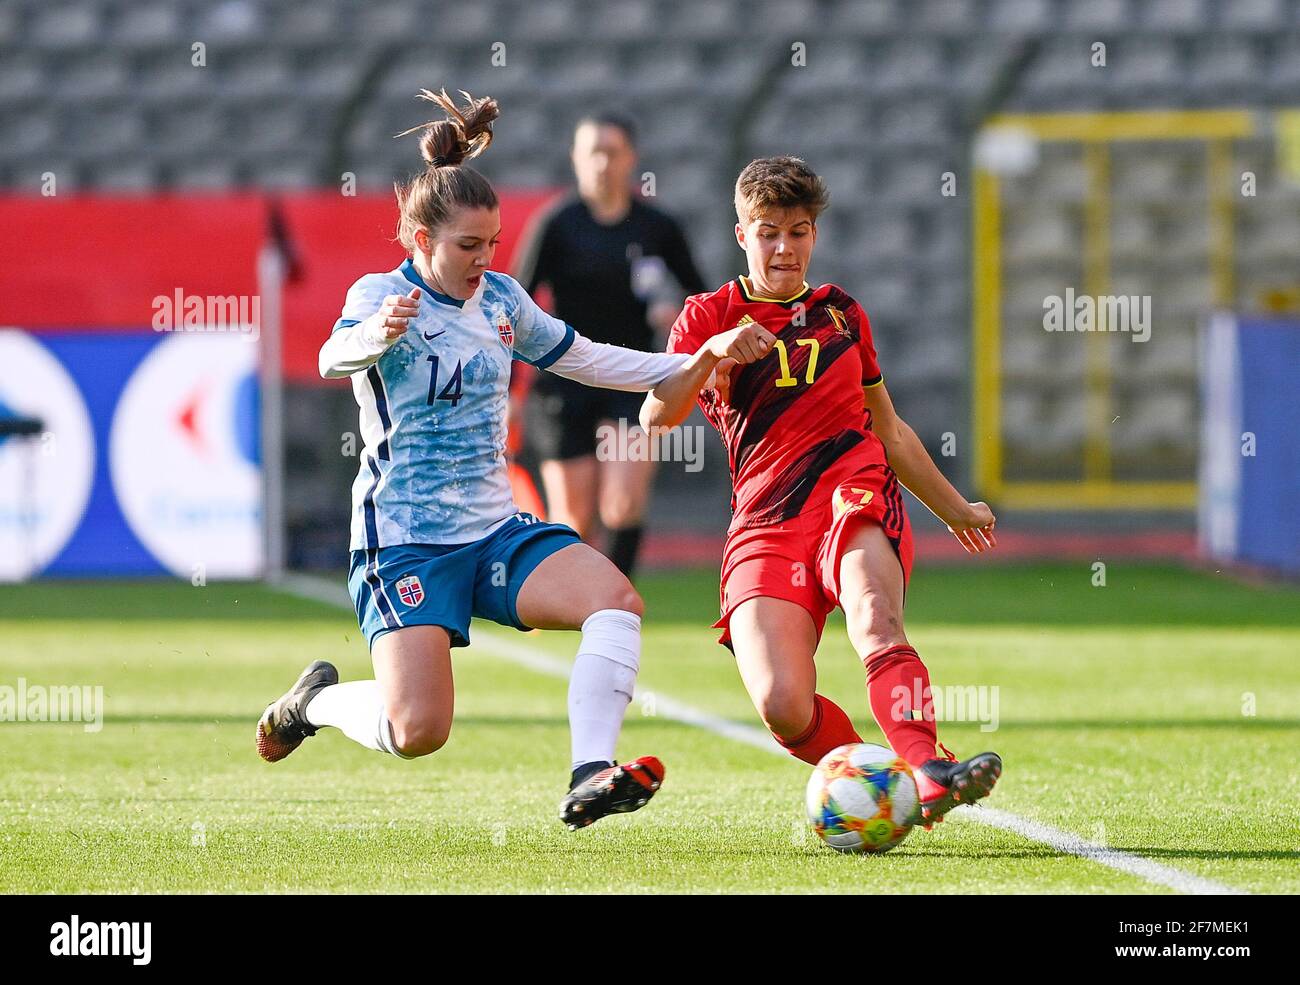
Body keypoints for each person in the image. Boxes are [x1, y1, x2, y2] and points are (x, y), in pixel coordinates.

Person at [253, 89, 756, 830]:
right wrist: (375, 338)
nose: (483, 260)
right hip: (407, 540)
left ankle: (591, 771)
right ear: (420, 240)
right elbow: (334, 356)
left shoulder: (501, 300)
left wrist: (692, 357)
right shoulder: (379, 294)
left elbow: (584, 357)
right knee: (418, 729)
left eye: (491, 244)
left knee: (616, 601)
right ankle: (313, 704)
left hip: (492, 529)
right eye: (467, 247)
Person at [641, 156, 1003, 827]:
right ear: (742, 233)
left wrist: (955, 507)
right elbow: (655, 417)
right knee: (782, 703)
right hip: (765, 519)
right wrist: (714, 351)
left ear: (814, 234)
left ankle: (926, 769)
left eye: (799, 231)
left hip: (850, 489)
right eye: (769, 231)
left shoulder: (841, 312)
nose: (785, 247)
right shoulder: (707, 315)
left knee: (874, 613)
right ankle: (892, 774)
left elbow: (889, 430)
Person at [513, 112, 706, 577]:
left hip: (634, 376)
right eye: (591, 153)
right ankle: (578, 611)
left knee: (622, 505)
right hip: (565, 378)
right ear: (576, 160)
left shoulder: (657, 228)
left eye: (612, 152)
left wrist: (675, 315)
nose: (601, 163)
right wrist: (508, 392)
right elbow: (514, 306)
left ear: (630, 159)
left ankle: (616, 612)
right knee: (573, 521)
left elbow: (701, 298)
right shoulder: (557, 224)